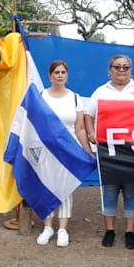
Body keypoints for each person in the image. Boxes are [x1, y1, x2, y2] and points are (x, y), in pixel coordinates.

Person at [84, 55, 134, 249]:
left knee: (131, 191)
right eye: (117, 67)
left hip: (132, 150)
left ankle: (130, 232)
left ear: (131, 69)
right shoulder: (100, 91)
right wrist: (90, 132)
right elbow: (88, 115)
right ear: (110, 70)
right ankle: (110, 230)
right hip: (108, 150)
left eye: (125, 67)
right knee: (110, 191)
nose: (121, 70)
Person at [34, 60, 92, 247]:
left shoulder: (75, 98)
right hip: (47, 150)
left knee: (65, 188)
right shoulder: (41, 97)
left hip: (68, 151)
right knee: (46, 186)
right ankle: (48, 227)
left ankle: (62, 229)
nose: (59, 75)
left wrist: (88, 151)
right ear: (50, 76)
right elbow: (34, 125)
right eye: (56, 72)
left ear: (67, 75)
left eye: (63, 72)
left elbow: (81, 129)